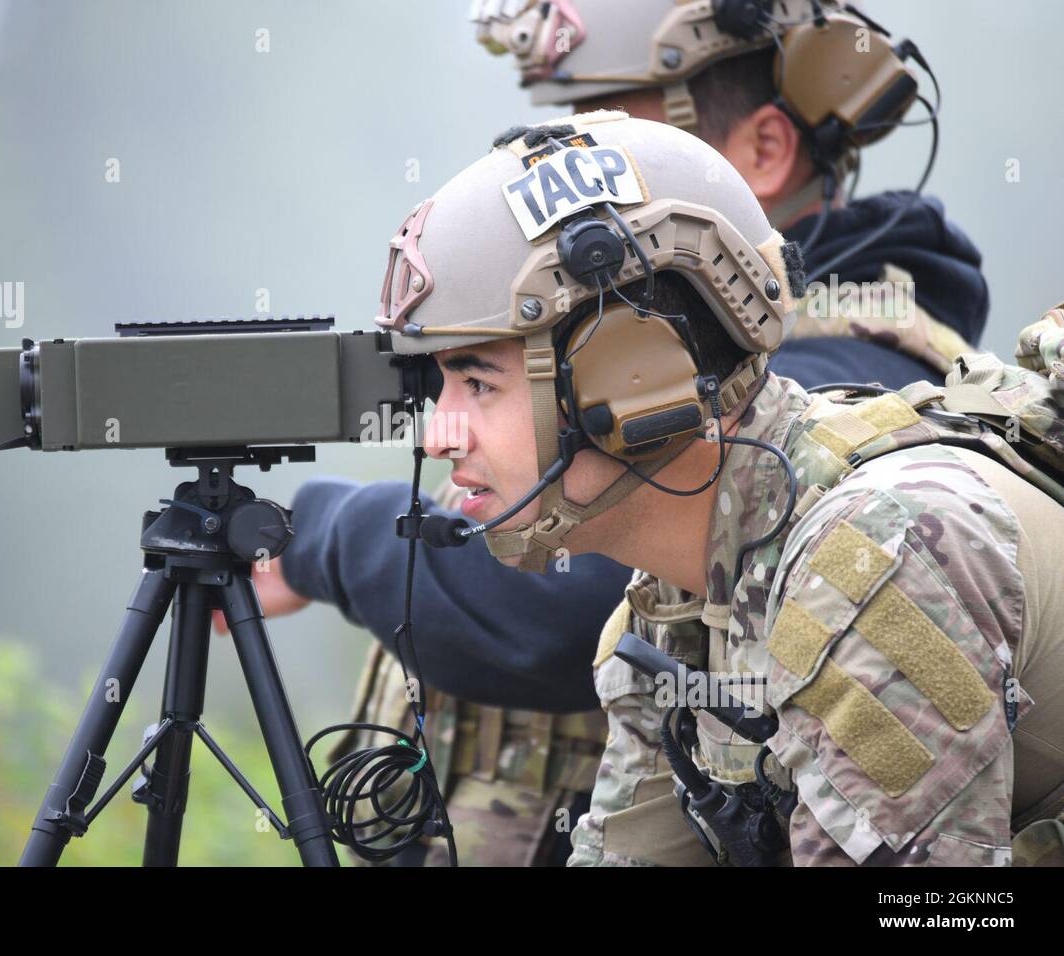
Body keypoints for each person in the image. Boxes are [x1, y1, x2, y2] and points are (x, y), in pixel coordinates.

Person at [240, 1, 990, 865]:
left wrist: (327, 536)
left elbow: (545, 608)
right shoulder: (650, 601)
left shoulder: (832, 397)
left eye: (612, 127)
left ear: (765, 150)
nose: (579, 165)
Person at [368, 109, 1064, 865]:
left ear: (634, 379)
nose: (437, 434)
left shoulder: (875, 556)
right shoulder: (671, 613)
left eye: (477, 382)